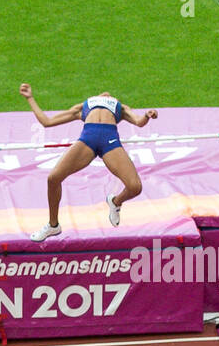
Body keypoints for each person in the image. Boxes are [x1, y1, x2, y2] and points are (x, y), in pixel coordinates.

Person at [20, 83, 158, 241]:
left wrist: (147, 115)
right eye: (103, 94)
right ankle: (53, 225)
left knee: (135, 187)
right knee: (53, 178)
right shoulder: (84, 106)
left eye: (109, 95)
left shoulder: (120, 107)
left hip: (110, 142)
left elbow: (139, 122)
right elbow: (47, 121)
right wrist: (30, 98)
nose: (106, 93)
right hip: (87, 142)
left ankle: (115, 201)